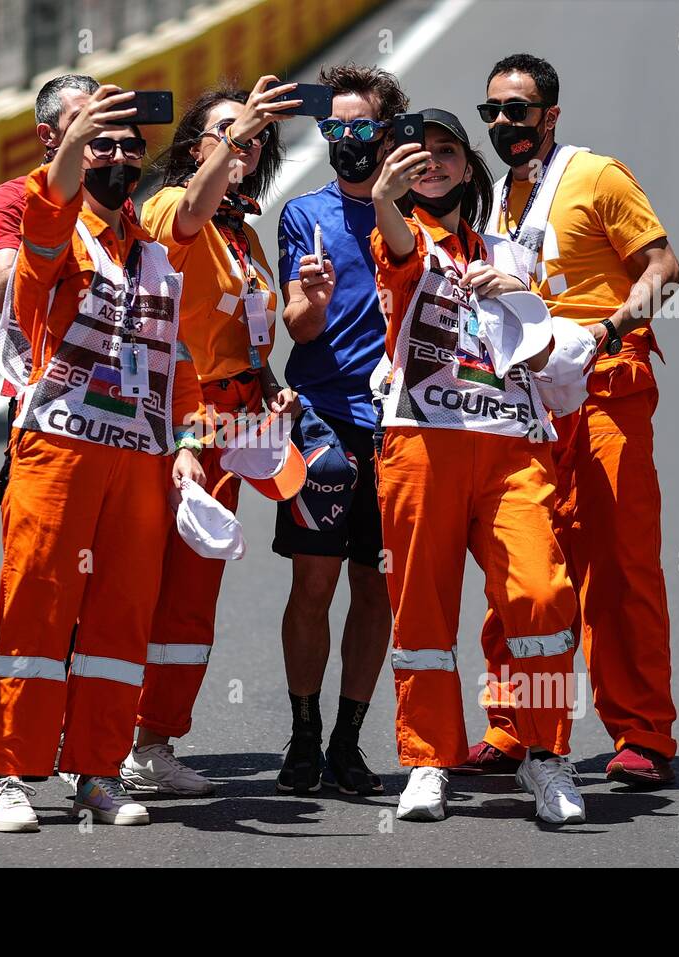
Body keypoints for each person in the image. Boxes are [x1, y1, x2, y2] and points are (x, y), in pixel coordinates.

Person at [0, 85, 208, 831]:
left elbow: (178, 368)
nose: (117, 158)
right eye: (100, 146)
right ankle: (11, 775)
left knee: (119, 622)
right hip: (57, 451)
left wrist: (185, 448)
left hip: (139, 464)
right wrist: (74, 144)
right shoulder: (54, 234)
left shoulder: (154, 256)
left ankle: (97, 772)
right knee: (37, 610)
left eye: (128, 147)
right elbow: (38, 233)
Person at [463, 53, 679, 786]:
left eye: (517, 111)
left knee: (619, 567)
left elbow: (665, 271)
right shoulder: (493, 197)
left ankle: (642, 731)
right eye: (492, 110)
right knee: (520, 568)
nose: (503, 123)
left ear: (550, 116)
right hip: (523, 406)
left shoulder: (596, 176)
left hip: (603, 393)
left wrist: (609, 331)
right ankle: (514, 723)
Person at [370, 108, 588, 824]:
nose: (430, 163)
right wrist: (382, 194)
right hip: (420, 445)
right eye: (416, 156)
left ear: (469, 164)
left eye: (444, 152)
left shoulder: (515, 251)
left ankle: (545, 755)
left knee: (543, 598)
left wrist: (520, 296)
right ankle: (429, 760)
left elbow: (555, 351)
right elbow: (397, 246)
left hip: (513, 450)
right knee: (423, 608)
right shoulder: (398, 238)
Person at [121, 78, 301, 796]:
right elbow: (189, 215)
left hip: (233, 425)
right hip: (172, 423)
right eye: (228, 131)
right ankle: (99, 736)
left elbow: (240, 330)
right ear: (195, 144)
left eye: (255, 136)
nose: (246, 144)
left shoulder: (246, 232)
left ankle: (153, 741)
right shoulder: (173, 203)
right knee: (138, 583)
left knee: (194, 591)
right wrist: (233, 140)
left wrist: (270, 379)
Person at [273, 64, 408, 795]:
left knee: (376, 585)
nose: (347, 139)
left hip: (399, 425)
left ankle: (348, 742)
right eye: (335, 127)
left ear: (389, 130)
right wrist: (314, 303)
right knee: (313, 580)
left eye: (361, 126)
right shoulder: (303, 215)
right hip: (321, 421)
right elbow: (297, 324)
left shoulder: (418, 211)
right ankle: (302, 735)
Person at [0, 73, 104, 506]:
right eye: (82, 118)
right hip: (46, 395)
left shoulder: (114, 195)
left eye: (102, 114)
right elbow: (1, 291)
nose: (97, 128)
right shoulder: (14, 196)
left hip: (113, 393)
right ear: (47, 134)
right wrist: (53, 231)